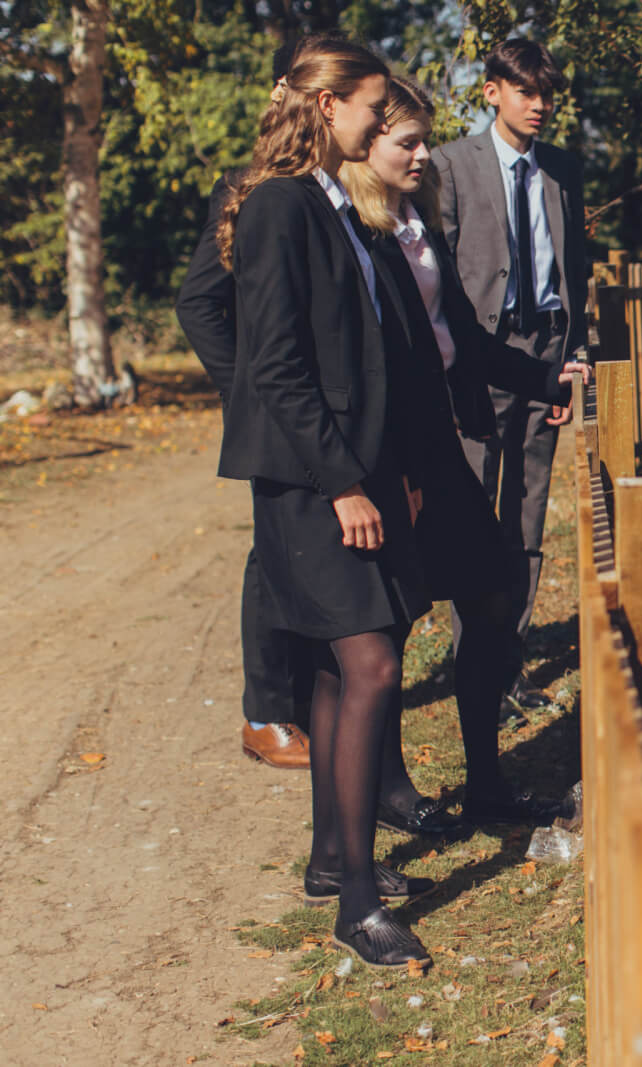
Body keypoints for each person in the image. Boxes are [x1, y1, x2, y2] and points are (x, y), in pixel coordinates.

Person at [214, 35, 431, 970]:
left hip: (357, 469)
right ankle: (355, 901)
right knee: (372, 665)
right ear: (327, 106)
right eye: (373, 109)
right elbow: (274, 361)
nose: (384, 125)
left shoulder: (340, 200)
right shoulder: (277, 206)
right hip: (311, 482)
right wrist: (340, 480)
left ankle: (329, 859)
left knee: (347, 674)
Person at [340, 76, 589, 826]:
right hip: (389, 457)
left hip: (436, 448)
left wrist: (546, 374)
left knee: (489, 596)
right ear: (367, 145)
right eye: (408, 143)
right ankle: (389, 795)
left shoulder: (415, 219)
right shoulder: (355, 229)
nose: (424, 155)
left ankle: (487, 784)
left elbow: (460, 340)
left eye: (423, 140)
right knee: (386, 631)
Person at [431, 38, 588, 713]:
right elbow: (433, 276)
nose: (540, 104)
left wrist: (572, 358)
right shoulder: (449, 166)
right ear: (491, 90)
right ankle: (473, 665)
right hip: (481, 359)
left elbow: (574, 275)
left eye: (548, 92)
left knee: (525, 517)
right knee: (475, 516)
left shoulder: (563, 172)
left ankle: (508, 669)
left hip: (546, 355)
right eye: (527, 91)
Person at [176, 46, 314, 771]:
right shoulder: (247, 188)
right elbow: (198, 302)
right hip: (274, 407)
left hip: (324, 410)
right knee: (271, 559)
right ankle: (265, 714)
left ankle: (305, 700)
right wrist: (245, 389)